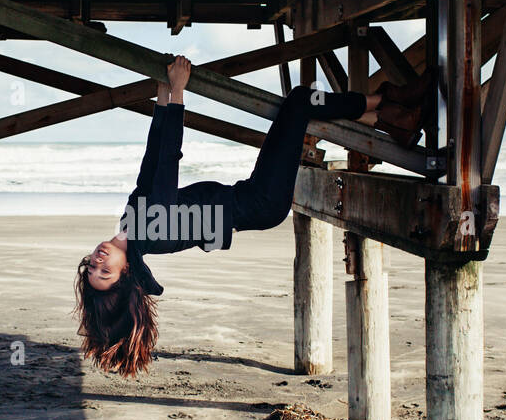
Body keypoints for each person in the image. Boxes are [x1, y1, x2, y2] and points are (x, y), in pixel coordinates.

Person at [74, 55, 428, 377]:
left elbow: (151, 163)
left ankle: (392, 120)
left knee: (299, 115)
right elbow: (169, 162)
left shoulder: (131, 225)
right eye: (106, 272)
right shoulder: (153, 232)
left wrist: (162, 97)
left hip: (250, 194)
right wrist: (179, 92)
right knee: (300, 102)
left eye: (92, 267)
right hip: (262, 201)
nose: (99, 261)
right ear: (127, 271)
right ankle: (384, 99)